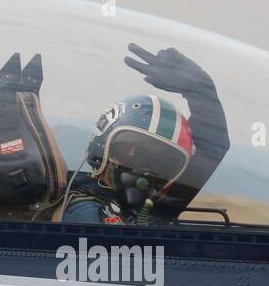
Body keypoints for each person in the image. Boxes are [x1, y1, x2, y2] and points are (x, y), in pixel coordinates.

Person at [62, 43, 229, 225]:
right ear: (102, 147)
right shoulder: (81, 210)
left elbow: (210, 148)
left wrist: (202, 92)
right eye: (134, 153)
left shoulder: (156, 209)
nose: (144, 170)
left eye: (161, 163)